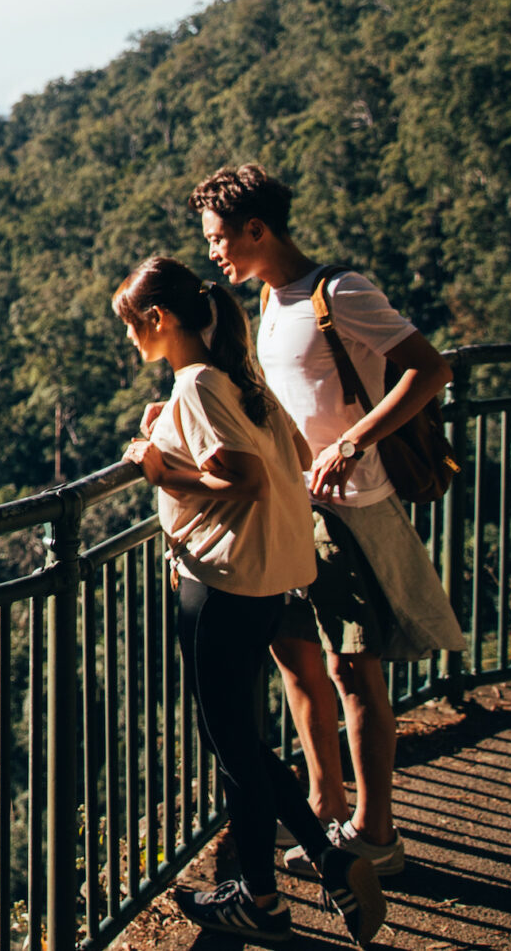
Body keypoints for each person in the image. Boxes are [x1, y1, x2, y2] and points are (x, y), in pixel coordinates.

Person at [191, 163, 469, 878]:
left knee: (353, 672)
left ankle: (376, 833)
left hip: (347, 512)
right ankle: (323, 807)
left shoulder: (338, 292)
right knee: (296, 663)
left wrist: (353, 441)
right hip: (293, 510)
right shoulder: (269, 302)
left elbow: (428, 369)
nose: (215, 252)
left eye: (221, 238)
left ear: (258, 229)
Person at [117, 255, 387, 946]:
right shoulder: (238, 378)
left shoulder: (201, 381)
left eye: (131, 325)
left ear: (160, 319)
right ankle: (316, 867)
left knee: (233, 746)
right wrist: (171, 427)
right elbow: (288, 453)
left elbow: (242, 480)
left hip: (220, 583)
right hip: (271, 579)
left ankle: (266, 897)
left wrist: (158, 467)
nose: (129, 339)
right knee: (241, 741)